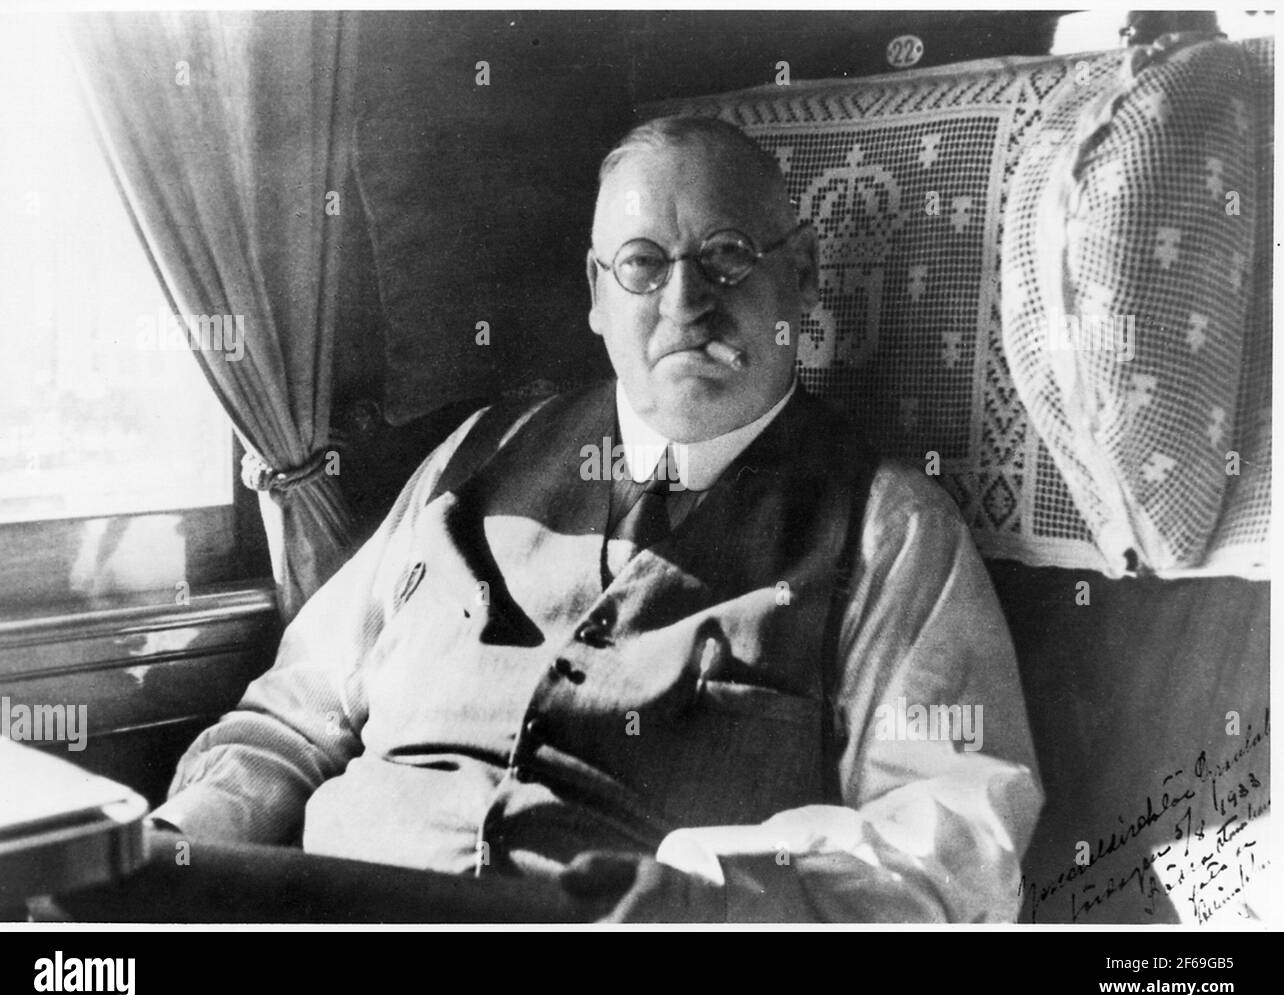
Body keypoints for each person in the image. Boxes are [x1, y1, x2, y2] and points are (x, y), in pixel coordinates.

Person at [153, 116, 1042, 922]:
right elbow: (288, 721)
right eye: (644, 264)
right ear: (597, 291)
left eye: (727, 254)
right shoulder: (475, 458)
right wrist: (173, 849)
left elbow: (955, 843)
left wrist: (713, 889)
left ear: (801, 274)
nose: (686, 301)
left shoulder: (889, 529)